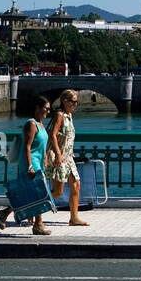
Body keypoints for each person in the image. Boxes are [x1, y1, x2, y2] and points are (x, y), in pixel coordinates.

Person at [0, 95, 53, 236]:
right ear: (37, 108)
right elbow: (27, 146)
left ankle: (4, 213)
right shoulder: (31, 124)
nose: (48, 112)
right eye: (46, 108)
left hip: (38, 161)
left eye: (49, 109)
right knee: (38, 193)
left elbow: (42, 145)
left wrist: (45, 157)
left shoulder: (41, 124)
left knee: (30, 194)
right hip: (30, 162)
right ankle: (38, 225)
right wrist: (29, 166)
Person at [46, 90, 88, 226]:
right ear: (64, 101)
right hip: (59, 157)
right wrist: (58, 154)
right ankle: (31, 209)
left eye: (77, 102)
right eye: (73, 102)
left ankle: (74, 218)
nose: (75, 105)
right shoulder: (59, 115)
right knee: (58, 192)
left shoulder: (69, 115)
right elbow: (52, 135)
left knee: (76, 185)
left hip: (68, 158)